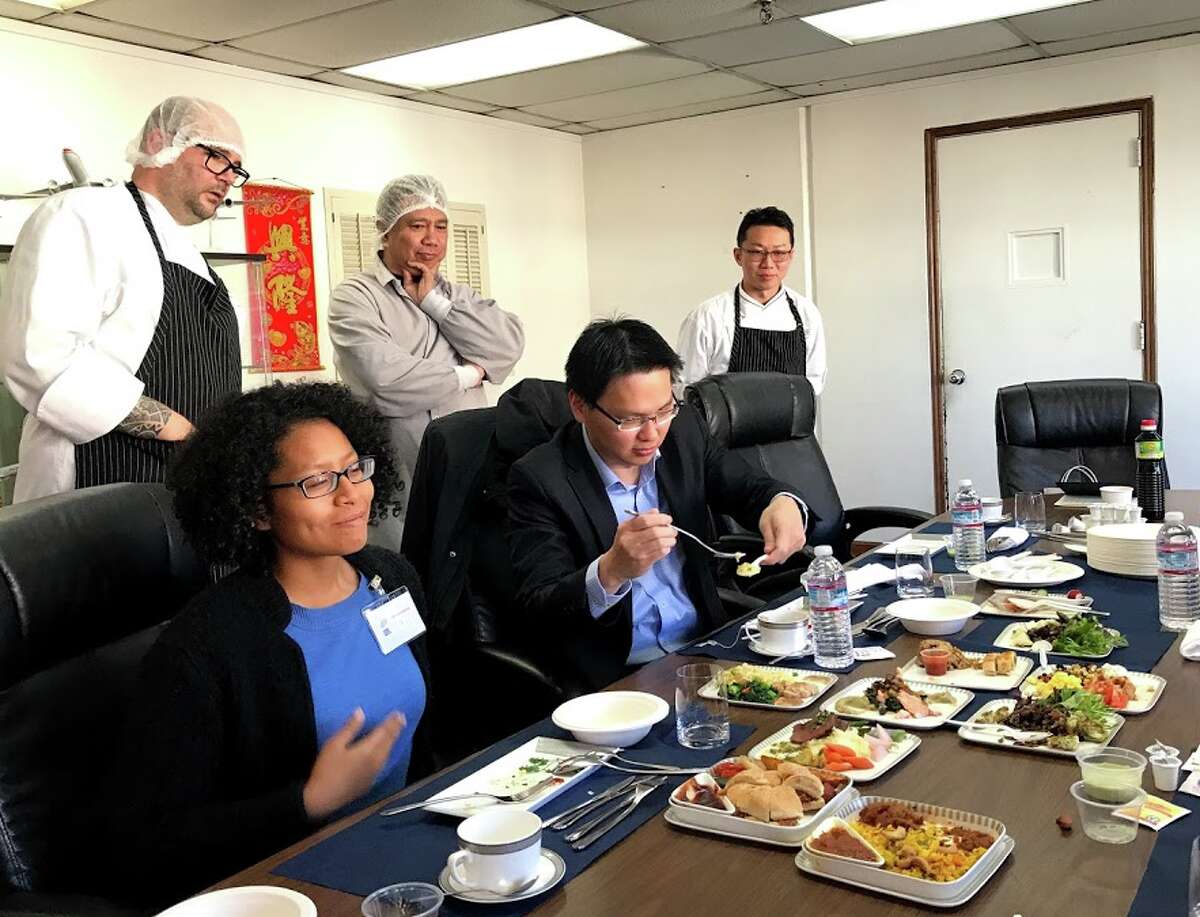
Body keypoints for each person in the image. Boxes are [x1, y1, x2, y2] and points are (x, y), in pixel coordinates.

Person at [102, 382, 433, 907]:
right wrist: (307, 801)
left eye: (354, 468)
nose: (351, 493)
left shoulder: (390, 578)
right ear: (257, 509)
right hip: (290, 887)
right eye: (318, 482)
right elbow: (148, 839)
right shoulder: (208, 644)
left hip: (400, 854)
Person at [507, 319, 809, 690]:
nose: (652, 434)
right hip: (618, 676)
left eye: (663, 410)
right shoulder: (540, 479)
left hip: (707, 651)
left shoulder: (683, 433)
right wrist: (611, 570)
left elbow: (746, 486)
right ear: (580, 406)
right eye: (631, 420)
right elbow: (539, 606)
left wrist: (780, 502)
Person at [1, 96, 248, 503]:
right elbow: (39, 357)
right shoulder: (82, 215)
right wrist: (179, 430)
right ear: (158, 142)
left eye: (235, 168)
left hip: (188, 477)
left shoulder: (192, 256)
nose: (227, 177)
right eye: (216, 157)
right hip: (100, 477)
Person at [329, 174, 525, 543]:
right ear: (386, 231)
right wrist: (470, 374)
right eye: (417, 226)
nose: (432, 239)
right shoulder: (355, 298)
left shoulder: (455, 294)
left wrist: (434, 302)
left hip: (471, 475)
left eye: (441, 226)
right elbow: (389, 383)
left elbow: (508, 346)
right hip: (399, 479)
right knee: (404, 574)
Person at [677, 206, 826, 393]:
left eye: (779, 253)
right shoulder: (707, 317)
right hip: (725, 423)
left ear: (791, 256)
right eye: (757, 252)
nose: (768, 264)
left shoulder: (807, 314)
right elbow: (686, 388)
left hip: (790, 423)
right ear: (738, 256)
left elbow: (813, 385)